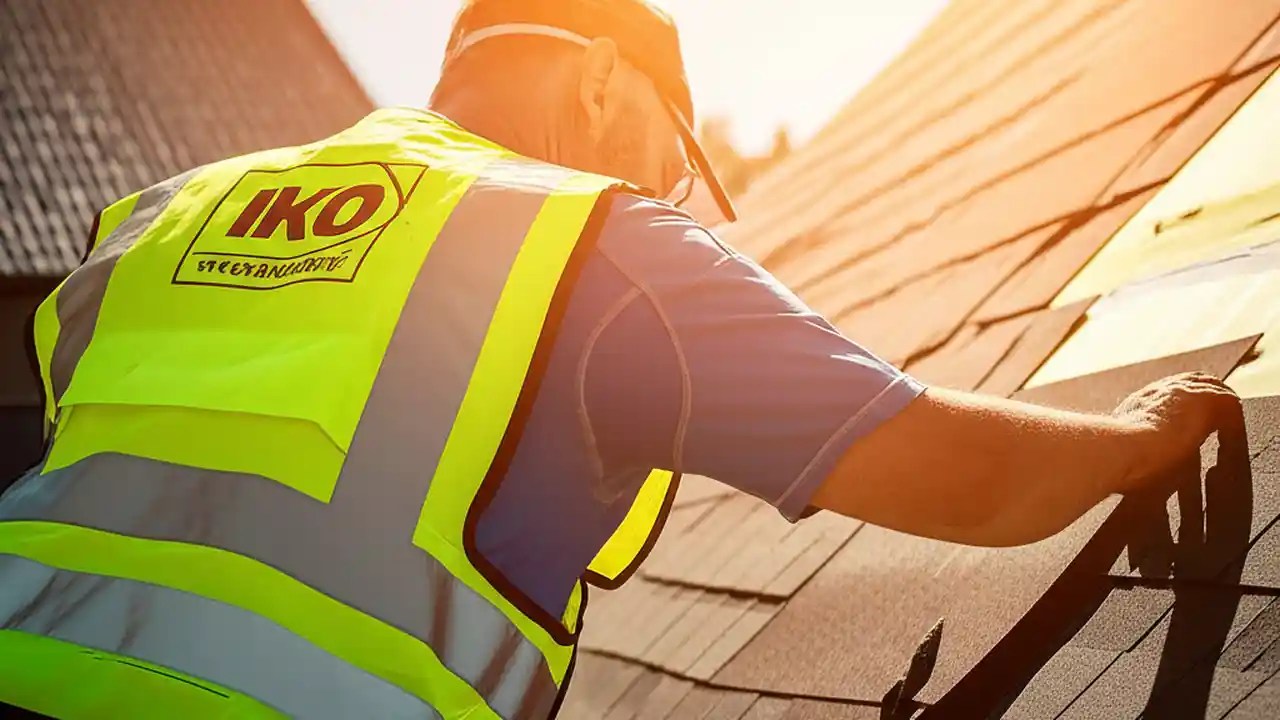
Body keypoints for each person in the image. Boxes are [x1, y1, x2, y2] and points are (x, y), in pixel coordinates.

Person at [0, 0, 1242, 718]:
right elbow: (967, 480)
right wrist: (1144, 432)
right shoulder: (581, 241)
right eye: (677, 157)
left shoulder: (160, 216)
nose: (673, 194)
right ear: (600, 82)